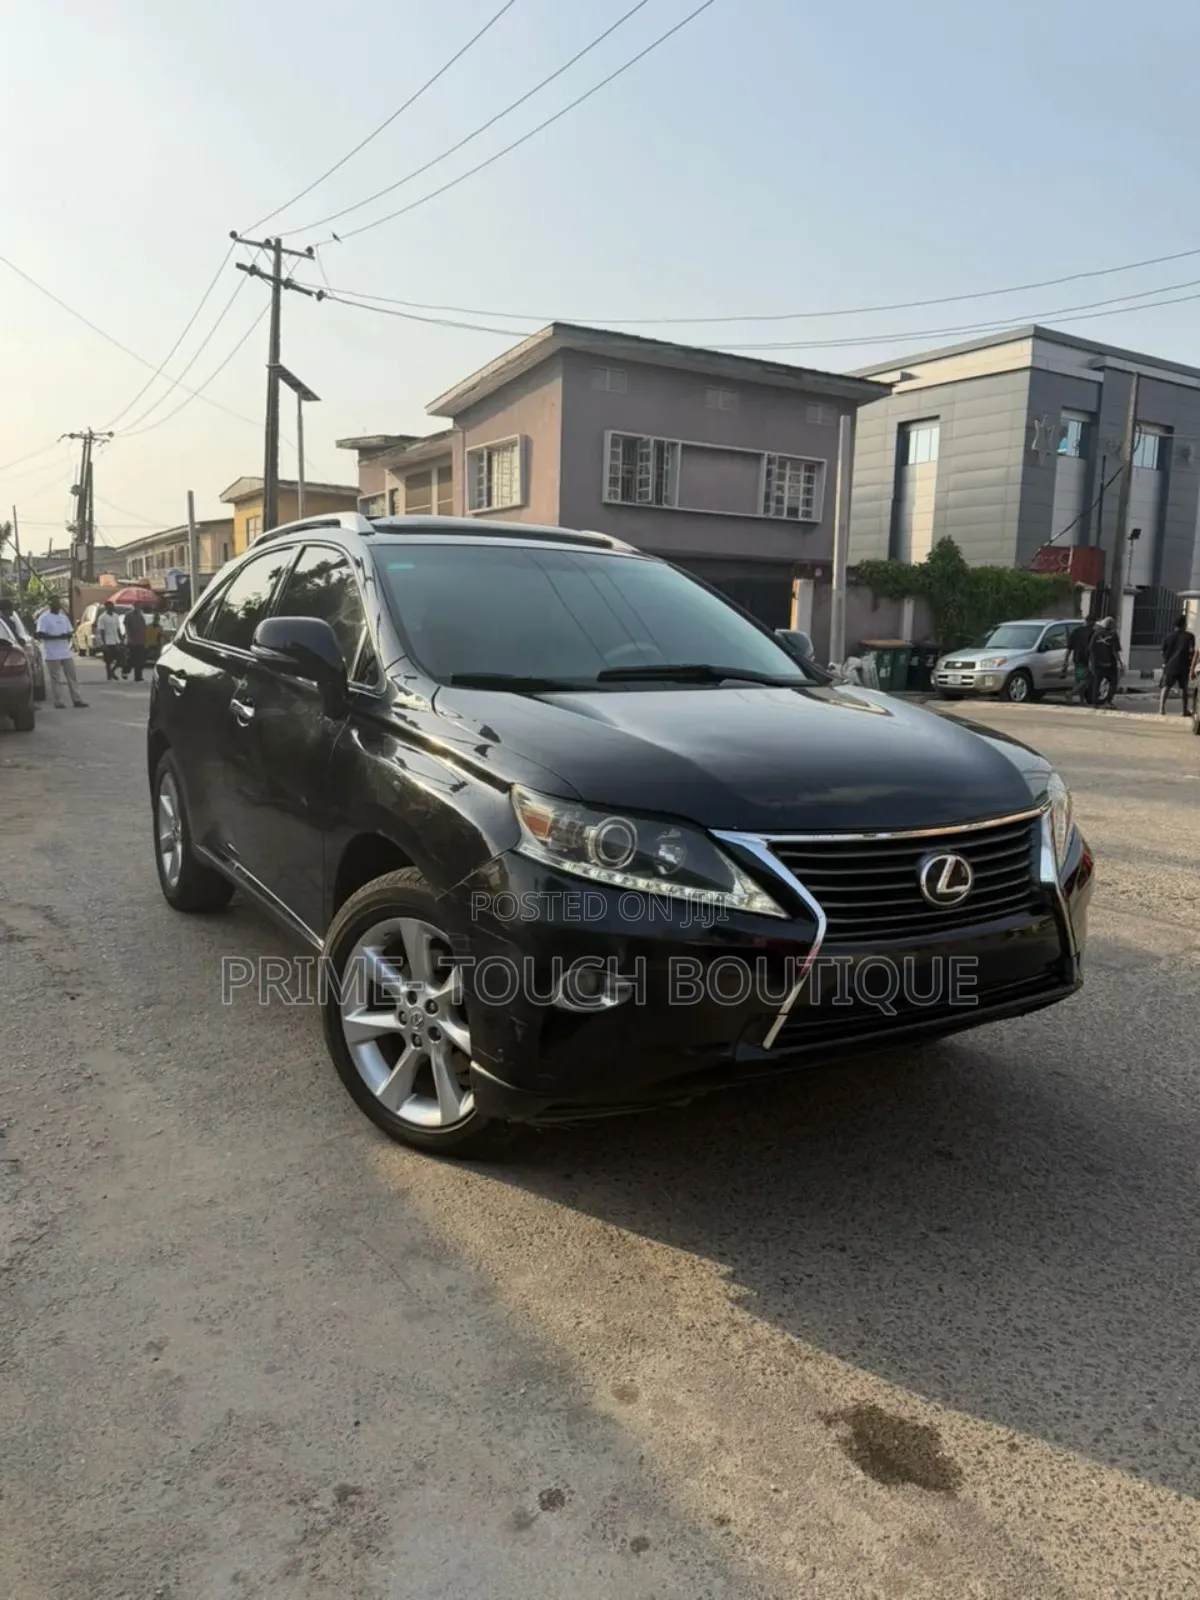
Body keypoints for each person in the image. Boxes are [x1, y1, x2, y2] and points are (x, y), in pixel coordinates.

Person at [35, 596, 87, 708]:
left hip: (65, 652)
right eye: (54, 604)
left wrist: (66, 636)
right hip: (52, 654)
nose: (57, 606)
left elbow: (70, 632)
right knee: (56, 679)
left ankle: (77, 700)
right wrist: (57, 637)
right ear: (50, 605)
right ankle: (58, 702)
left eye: (58, 604)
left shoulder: (63, 618)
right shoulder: (44, 618)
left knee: (72, 677)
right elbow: (40, 634)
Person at [1159, 614, 1196, 716]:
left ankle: (1161, 709)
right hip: (1183, 666)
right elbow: (1192, 651)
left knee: (1166, 686)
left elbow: (1162, 652)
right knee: (1183, 688)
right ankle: (1184, 710)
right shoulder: (1190, 637)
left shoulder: (1168, 637)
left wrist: (1165, 661)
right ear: (1184, 624)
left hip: (1170, 665)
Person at [1087, 616, 1121, 708]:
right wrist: (1120, 662)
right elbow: (1115, 651)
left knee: (1096, 683)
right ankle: (1108, 701)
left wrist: (1091, 662)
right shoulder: (1113, 635)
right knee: (1113, 683)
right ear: (1112, 625)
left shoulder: (1096, 634)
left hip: (1098, 663)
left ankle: (1094, 703)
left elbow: (1091, 649)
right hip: (1110, 664)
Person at [95, 601, 124, 680]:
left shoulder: (116, 616)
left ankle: (112, 671)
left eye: (112, 606)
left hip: (116, 641)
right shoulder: (102, 617)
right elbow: (102, 631)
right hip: (108, 642)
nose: (111, 608)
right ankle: (109, 676)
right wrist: (103, 643)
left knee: (121, 659)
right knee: (108, 660)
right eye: (109, 606)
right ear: (106, 607)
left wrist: (121, 639)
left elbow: (118, 629)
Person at [1068, 617, 1094, 703]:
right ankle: (1070, 693)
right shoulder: (1092, 632)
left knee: (1079, 680)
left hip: (1076, 658)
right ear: (1091, 622)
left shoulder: (1076, 631)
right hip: (1085, 659)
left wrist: (1066, 660)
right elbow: (1092, 648)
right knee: (1087, 679)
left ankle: (1081, 700)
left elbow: (1069, 647)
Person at [121, 603, 147, 682]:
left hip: (140, 641)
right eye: (137, 606)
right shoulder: (129, 615)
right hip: (132, 641)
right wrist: (128, 636)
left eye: (139, 607)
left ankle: (138, 676)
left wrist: (145, 640)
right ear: (134, 607)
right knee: (132, 659)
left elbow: (144, 628)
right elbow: (126, 626)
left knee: (140, 660)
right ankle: (125, 671)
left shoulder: (141, 616)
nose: (138, 608)